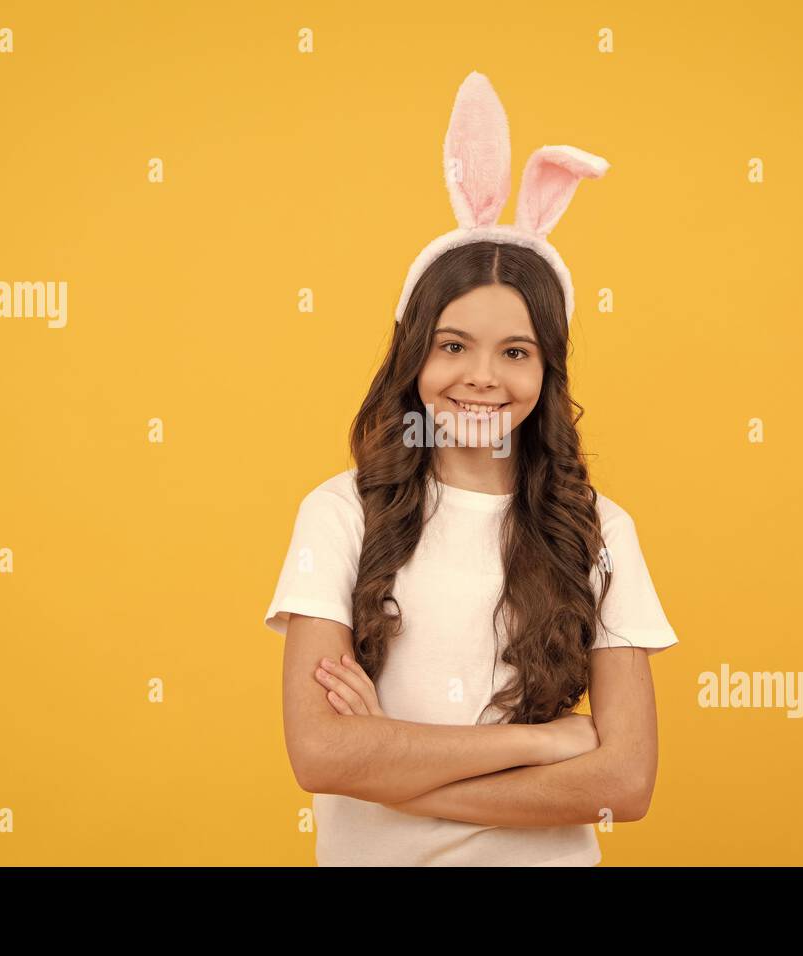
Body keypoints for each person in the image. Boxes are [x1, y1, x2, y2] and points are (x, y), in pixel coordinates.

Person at [262, 71, 679, 866]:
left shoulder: (600, 529)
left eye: (514, 352)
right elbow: (319, 757)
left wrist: (388, 758)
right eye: (454, 345)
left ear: (545, 372)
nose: (481, 377)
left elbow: (624, 783)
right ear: (415, 354)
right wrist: (554, 743)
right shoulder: (340, 513)